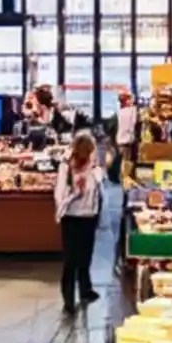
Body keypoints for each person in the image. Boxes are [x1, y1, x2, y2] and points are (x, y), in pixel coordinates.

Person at [54, 131, 103, 314]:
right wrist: (75, 194)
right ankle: (68, 300)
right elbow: (60, 195)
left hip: (89, 216)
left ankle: (85, 290)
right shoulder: (66, 167)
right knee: (71, 259)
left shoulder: (93, 165)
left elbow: (98, 185)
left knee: (85, 256)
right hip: (72, 217)